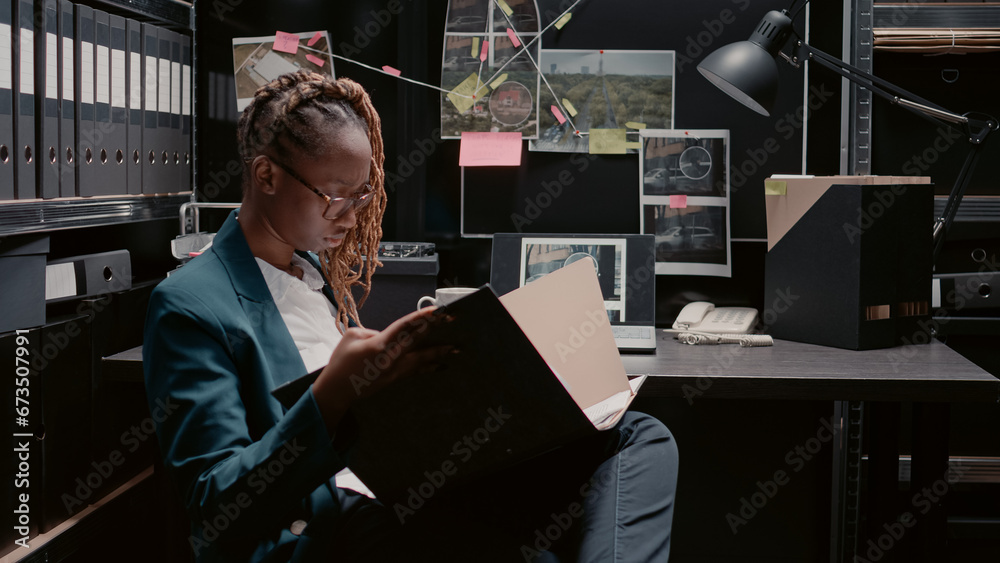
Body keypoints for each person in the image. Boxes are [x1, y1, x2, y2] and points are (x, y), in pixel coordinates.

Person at [143, 70, 678, 563]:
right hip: (333, 521)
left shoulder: (310, 275)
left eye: (362, 197)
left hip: (408, 482)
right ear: (266, 176)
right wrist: (333, 394)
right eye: (335, 198)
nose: (351, 218)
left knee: (638, 435)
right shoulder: (191, 303)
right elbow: (214, 508)